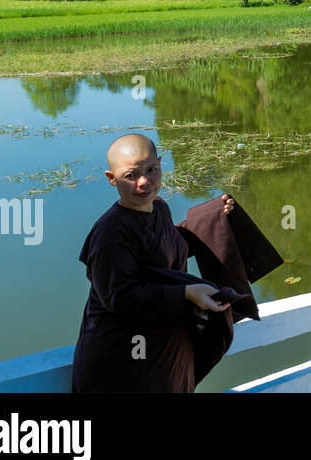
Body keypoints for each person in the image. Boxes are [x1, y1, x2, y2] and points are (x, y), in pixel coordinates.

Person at [71, 133, 234, 393]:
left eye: (151, 169)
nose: (144, 181)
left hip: (166, 351)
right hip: (124, 358)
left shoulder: (159, 208)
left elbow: (168, 245)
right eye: (130, 175)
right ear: (111, 179)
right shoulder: (111, 232)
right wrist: (186, 293)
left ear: (160, 163)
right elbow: (120, 297)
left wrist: (213, 216)